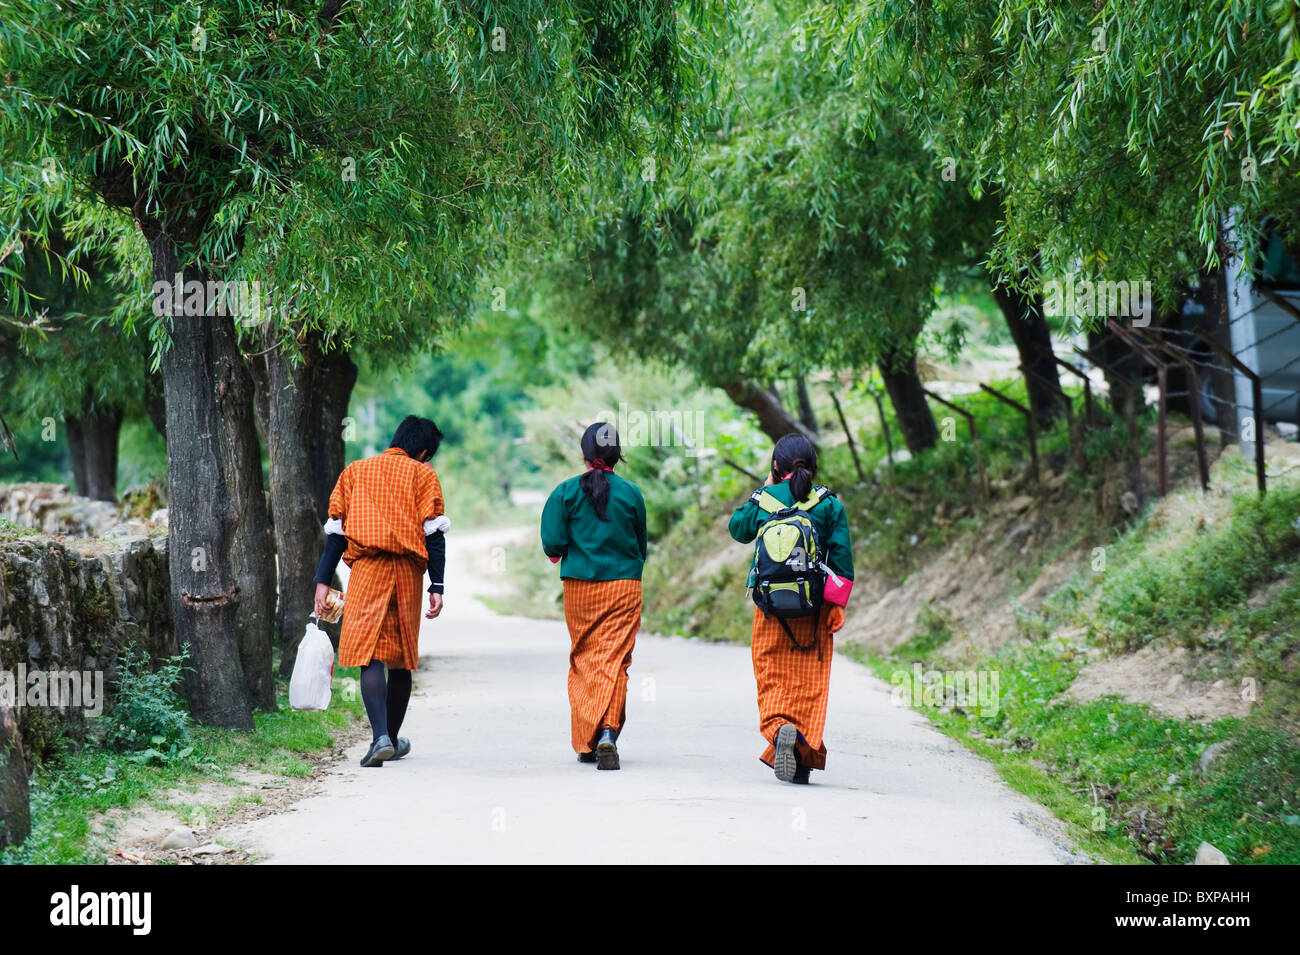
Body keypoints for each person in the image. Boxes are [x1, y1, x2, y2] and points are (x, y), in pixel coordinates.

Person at [313, 415, 449, 767]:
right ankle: (389, 734)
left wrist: (322, 581)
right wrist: (437, 584)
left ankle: (381, 738)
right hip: (407, 573)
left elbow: (336, 533)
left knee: (369, 652)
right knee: (402, 657)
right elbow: (433, 534)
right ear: (422, 452)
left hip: (368, 570)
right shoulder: (423, 475)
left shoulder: (355, 472)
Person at [728, 433, 854, 784]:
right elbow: (841, 560)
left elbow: (737, 529)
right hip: (813, 607)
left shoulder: (765, 500)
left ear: (775, 467)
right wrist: (837, 606)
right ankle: (800, 742)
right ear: (813, 469)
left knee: (771, 672)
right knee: (808, 680)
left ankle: (780, 726)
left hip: (770, 607)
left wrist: (764, 488)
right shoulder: (829, 504)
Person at [541, 422, 648, 770]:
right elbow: (641, 546)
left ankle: (589, 739)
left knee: (585, 658)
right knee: (615, 661)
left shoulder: (565, 492)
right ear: (618, 455)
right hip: (623, 586)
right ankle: (607, 733)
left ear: (585, 454)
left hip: (580, 587)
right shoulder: (631, 493)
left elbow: (552, 544)